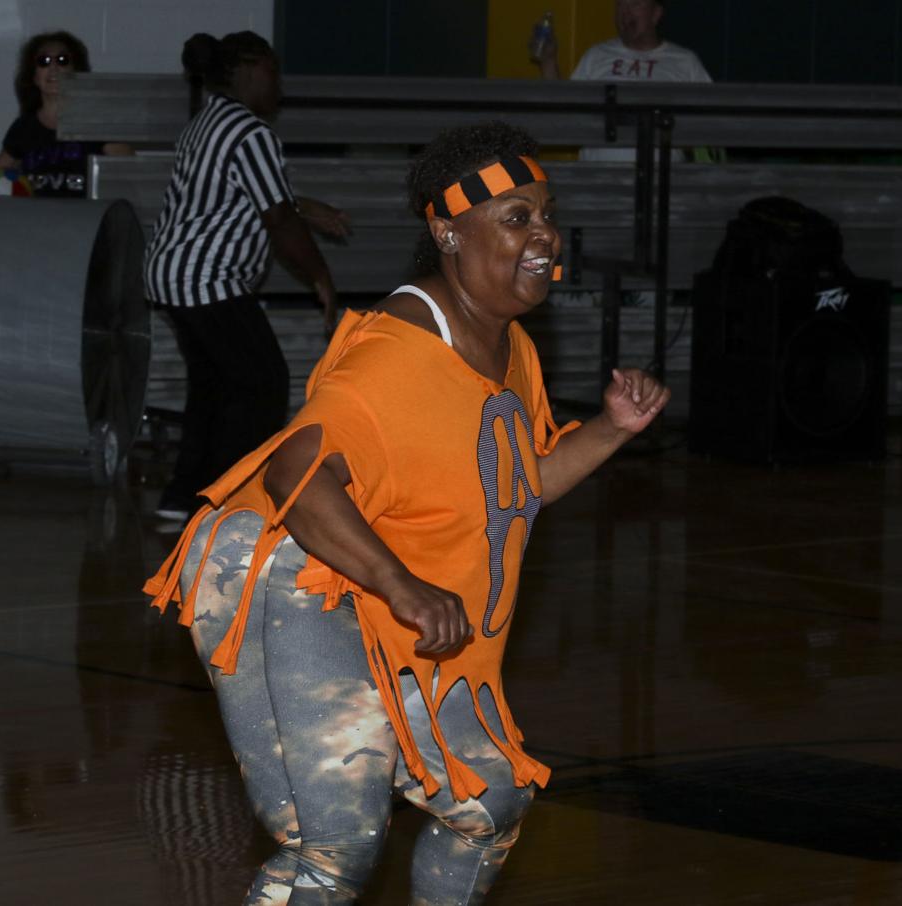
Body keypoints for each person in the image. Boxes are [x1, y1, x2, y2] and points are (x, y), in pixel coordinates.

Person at [144, 120, 670, 903]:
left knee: (488, 803)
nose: (545, 234)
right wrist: (403, 586)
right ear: (447, 230)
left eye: (546, 212)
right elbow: (299, 472)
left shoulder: (509, 347)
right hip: (288, 571)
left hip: (376, 578)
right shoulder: (398, 349)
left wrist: (609, 429)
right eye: (516, 216)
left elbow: (517, 487)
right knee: (336, 845)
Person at [143, 32, 349, 522]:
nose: (279, 85)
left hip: (172, 275)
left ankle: (184, 498)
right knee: (263, 382)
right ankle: (233, 501)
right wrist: (320, 277)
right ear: (251, 69)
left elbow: (246, 195)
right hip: (205, 279)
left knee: (214, 386)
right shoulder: (252, 133)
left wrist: (304, 206)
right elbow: (277, 220)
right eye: (274, 72)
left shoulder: (209, 121)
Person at [0, 31, 130, 203]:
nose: (53, 67)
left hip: (85, 223)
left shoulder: (98, 122)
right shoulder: (24, 127)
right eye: (44, 61)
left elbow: (131, 175)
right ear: (34, 76)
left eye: (62, 60)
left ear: (76, 71)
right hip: (36, 222)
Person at [534, 0, 711, 161]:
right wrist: (548, 62)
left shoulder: (684, 61)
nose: (625, 12)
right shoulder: (596, 55)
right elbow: (564, 115)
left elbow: (708, 125)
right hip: (598, 181)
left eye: (635, 4)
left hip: (660, 185)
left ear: (656, 14)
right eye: (620, 4)